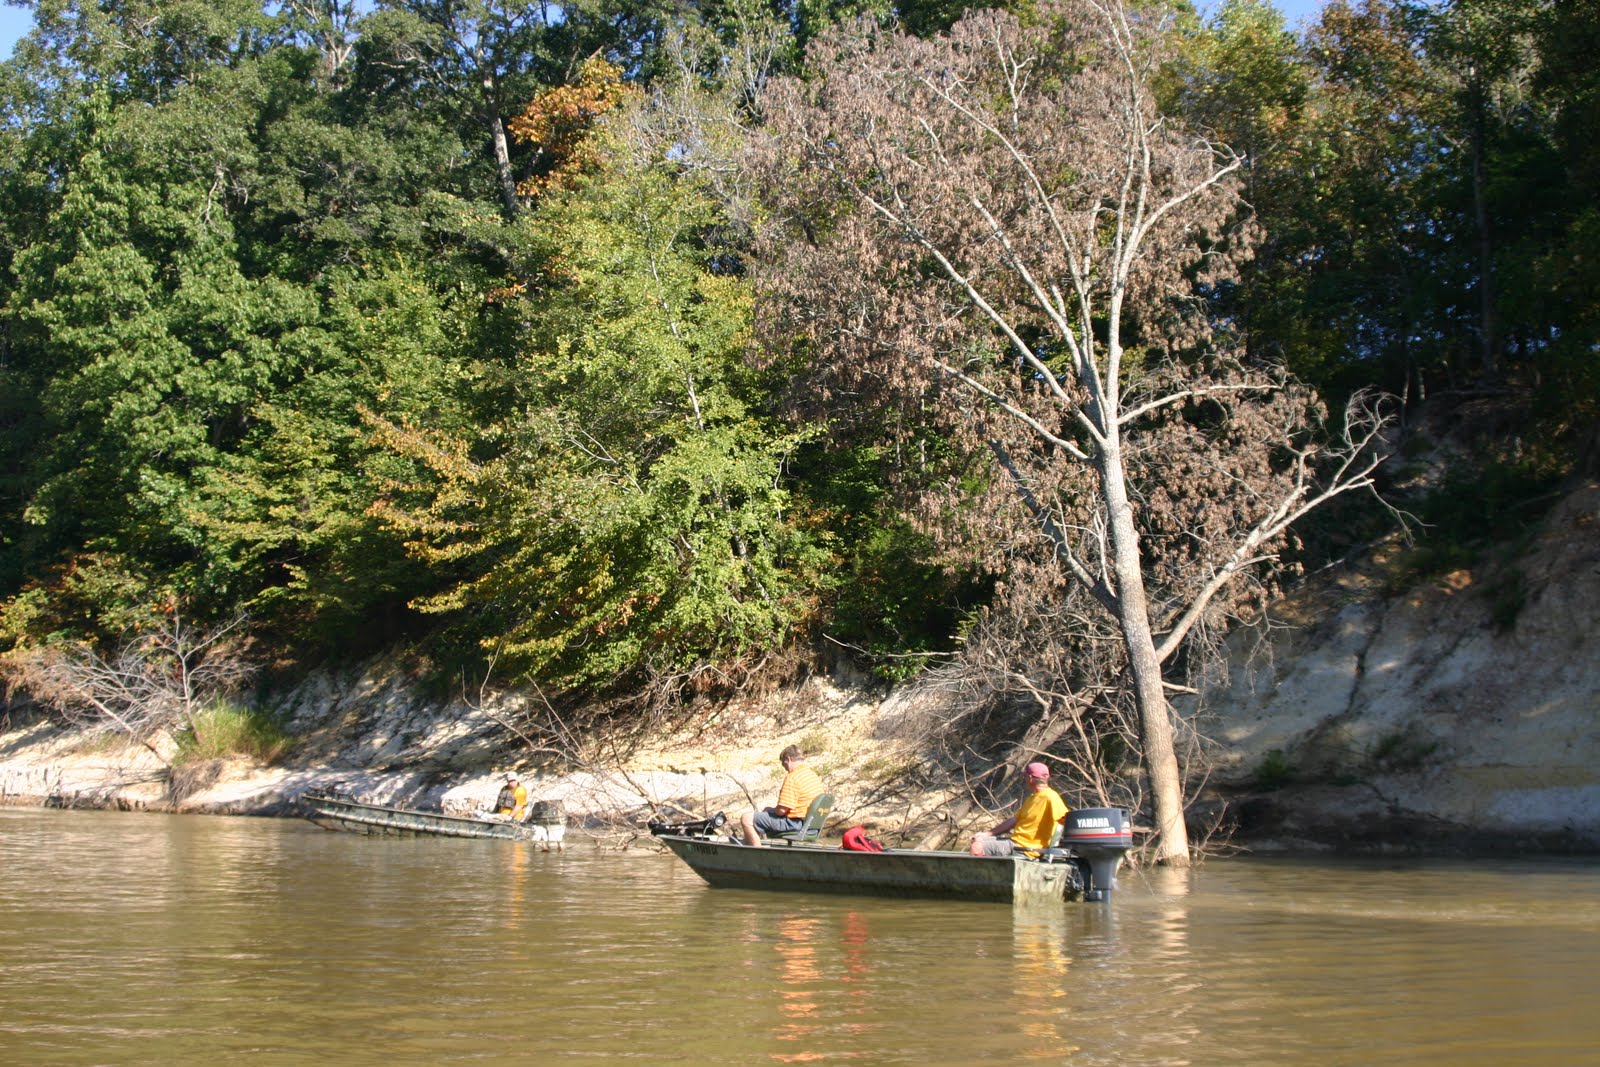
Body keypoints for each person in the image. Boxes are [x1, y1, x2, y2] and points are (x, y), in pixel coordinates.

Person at [969, 762, 1068, 857]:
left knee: (977, 847)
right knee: (977, 840)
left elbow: (1065, 819)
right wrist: (987, 834)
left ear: (1030, 778)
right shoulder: (1032, 798)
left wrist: (1054, 847)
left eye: (1025, 776)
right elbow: (1014, 820)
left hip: (1026, 848)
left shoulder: (1051, 797)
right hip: (1015, 843)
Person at [739, 744, 823, 847]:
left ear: (788, 759)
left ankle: (757, 852)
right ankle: (752, 842)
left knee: (746, 818)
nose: (785, 768)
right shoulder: (812, 776)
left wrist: (772, 810)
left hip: (794, 824)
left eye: (784, 764)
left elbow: (781, 811)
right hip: (810, 825)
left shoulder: (793, 777)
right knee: (766, 811)